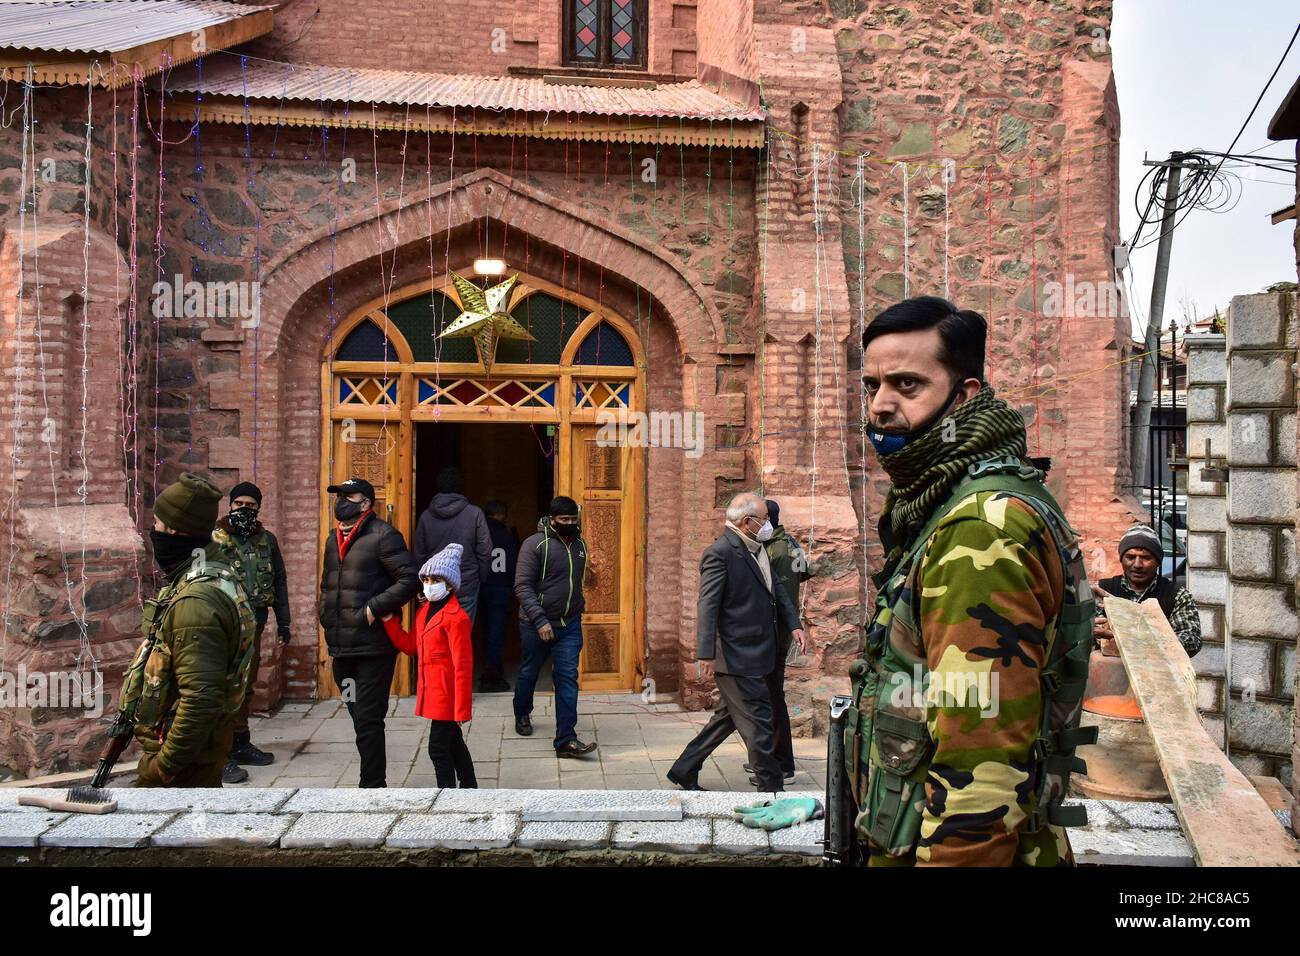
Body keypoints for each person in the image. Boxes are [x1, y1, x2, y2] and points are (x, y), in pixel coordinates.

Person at [845, 295, 1095, 866]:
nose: (880, 406)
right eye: (872, 386)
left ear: (966, 396)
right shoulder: (944, 500)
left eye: (907, 385)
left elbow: (980, 765)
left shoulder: (981, 528)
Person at [668, 492, 808, 792]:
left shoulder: (758, 547)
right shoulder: (720, 553)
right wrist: (705, 654)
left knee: (727, 718)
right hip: (735, 654)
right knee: (759, 722)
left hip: (760, 651)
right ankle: (772, 788)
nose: (769, 524)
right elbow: (707, 605)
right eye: (765, 520)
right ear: (747, 522)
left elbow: (776, 592)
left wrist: (794, 624)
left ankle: (684, 768)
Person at [130, 473, 257, 788]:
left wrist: (165, 766)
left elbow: (201, 697)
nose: (153, 532)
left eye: (157, 526)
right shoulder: (206, 576)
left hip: (185, 759)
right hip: (194, 750)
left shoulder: (196, 601)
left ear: (173, 531)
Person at [319, 476, 419, 788]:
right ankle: (371, 779)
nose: (342, 500)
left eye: (349, 496)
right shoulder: (332, 539)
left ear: (365, 503)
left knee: (369, 718)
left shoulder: (384, 536)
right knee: (358, 715)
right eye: (339, 495)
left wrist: (373, 608)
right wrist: (324, 615)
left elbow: (410, 578)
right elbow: (327, 585)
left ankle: (372, 785)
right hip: (341, 646)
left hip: (374, 648)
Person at [212, 481, 291, 784]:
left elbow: (280, 580)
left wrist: (284, 622)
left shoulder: (267, 540)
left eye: (250, 505)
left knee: (245, 685)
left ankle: (240, 743)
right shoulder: (215, 540)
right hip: (223, 625)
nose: (244, 510)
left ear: (258, 508)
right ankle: (221, 753)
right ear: (229, 505)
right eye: (239, 504)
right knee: (224, 685)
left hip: (255, 623)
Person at [383, 543, 477, 788]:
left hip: (447, 695)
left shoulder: (457, 619)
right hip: (432, 692)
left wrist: (462, 709)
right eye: (425, 578)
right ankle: (470, 787)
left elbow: (463, 666)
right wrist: (389, 622)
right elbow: (411, 646)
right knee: (453, 742)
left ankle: (445, 796)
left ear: (449, 584)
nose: (429, 584)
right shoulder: (424, 612)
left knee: (437, 749)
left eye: (435, 579)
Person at [512, 496, 598, 758]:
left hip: (569, 624)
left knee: (567, 679)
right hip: (536, 624)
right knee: (530, 670)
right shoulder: (535, 545)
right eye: (564, 520)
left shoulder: (580, 544)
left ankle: (566, 740)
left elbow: (579, 581)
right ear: (552, 520)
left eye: (573, 519)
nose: (570, 524)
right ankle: (522, 712)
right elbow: (522, 586)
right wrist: (540, 620)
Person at [744, 497, 812, 786]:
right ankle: (767, 757)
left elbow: (778, 598)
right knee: (766, 698)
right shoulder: (784, 544)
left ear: (766, 520)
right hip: (770, 634)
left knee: (773, 698)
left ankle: (782, 765)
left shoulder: (780, 550)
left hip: (775, 636)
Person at [1094, 524, 1202, 657]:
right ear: (1121, 559)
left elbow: (1191, 641)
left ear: (1158, 561)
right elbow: (1086, 636)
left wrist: (1127, 636)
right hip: (1111, 674)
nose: (1137, 564)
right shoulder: (1103, 590)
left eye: (1146, 558)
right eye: (1131, 557)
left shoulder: (1177, 596)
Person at [412, 467, 492, 623]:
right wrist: (481, 577)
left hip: (435, 584)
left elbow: (419, 554)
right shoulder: (474, 513)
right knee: (462, 634)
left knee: (436, 633)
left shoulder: (426, 516)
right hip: (466, 582)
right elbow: (485, 550)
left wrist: (425, 582)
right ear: (461, 488)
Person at [478, 499, 519, 692]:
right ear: (501, 515)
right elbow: (513, 566)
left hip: (481, 588)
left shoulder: (480, 534)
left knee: (484, 630)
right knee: (496, 632)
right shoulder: (506, 535)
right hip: (501, 590)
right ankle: (492, 673)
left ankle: (487, 667)